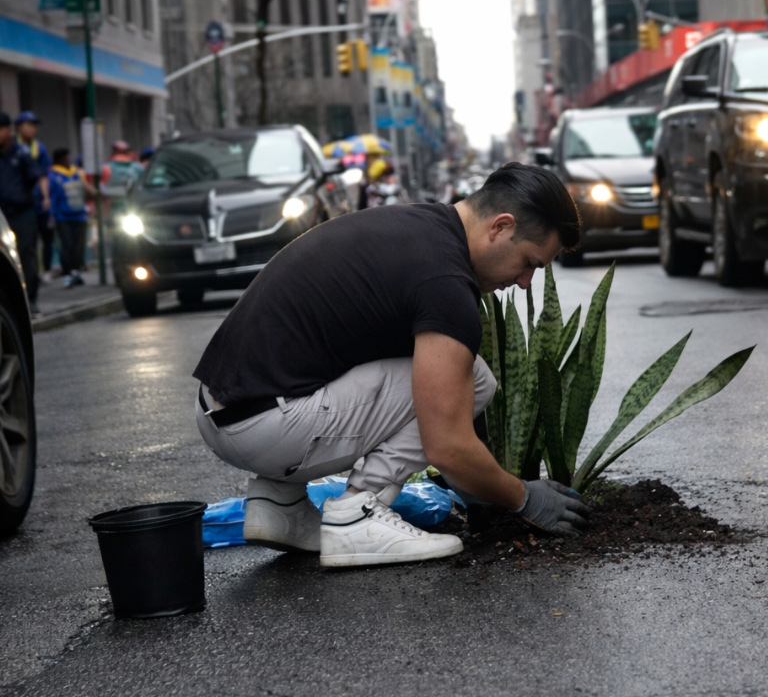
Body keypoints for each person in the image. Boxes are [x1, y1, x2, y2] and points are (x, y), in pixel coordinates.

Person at [193, 163, 591, 568]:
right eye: (530, 262)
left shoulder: (419, 225)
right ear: (500, 227)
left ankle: (279, 505)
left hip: (221, 410)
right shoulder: (446, 283)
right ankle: (357, 514)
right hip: (261, 426)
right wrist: (522, 497)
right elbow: (446, 445)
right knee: (477, 380)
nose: (525, 281)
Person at [0, 112, 45, 310]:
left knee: (27, 253)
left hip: (23, 211)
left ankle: (30, 300)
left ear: (8, 130)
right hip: (2, 214)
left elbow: (38, 176)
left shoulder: (22, 152)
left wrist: (45, 197)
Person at [14, 112, 53, 284]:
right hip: (17, 204)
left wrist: (46, 197)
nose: (32, 129)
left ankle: (41, 273)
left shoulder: (39, 148)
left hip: (36, 202)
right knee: (24, 243)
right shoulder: (11, 146)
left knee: (44, 239)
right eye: (28, 125)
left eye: (34, 125)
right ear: (19, 127)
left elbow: (43, 175)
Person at [48, 148, 95, 288]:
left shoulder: (77, 173)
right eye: (64, 158)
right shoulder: (53, 176)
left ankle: (76, 273)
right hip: (63, 217)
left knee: (78, 247)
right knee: (67, 246)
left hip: (80, 216)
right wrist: (52, 216)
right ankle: (68, 274)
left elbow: (87, 190)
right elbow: (53, 198)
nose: (67, 160)